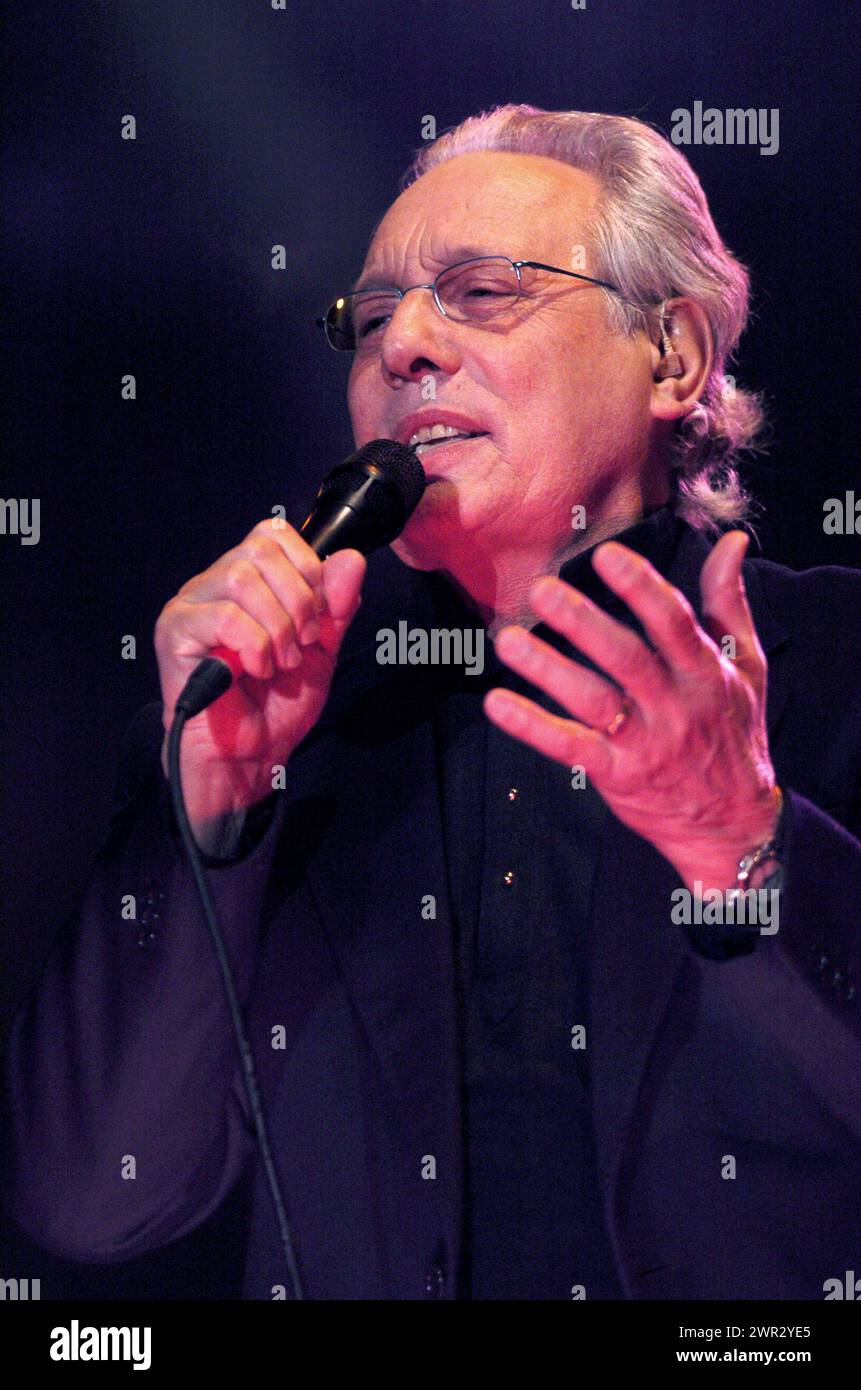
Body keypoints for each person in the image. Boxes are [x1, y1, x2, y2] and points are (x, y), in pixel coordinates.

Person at [2, 105, 860, 1300]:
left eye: (481, 292)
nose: (399, 342)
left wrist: (745, 852)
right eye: (367, 318)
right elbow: (91, 1200)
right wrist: (210, 816)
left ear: (670, 354)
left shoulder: (838, 657)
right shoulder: (301, 729)